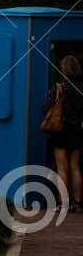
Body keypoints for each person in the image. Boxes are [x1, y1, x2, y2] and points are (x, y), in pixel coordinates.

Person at [43, 54, 83, 208]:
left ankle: (64, 203)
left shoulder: (59, 87)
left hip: (61, 131)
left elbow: (46, 107)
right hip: (77, 130)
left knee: (62, 168)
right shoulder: (81, 88)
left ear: (63, 69)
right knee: (75, 167)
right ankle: (77, 202)